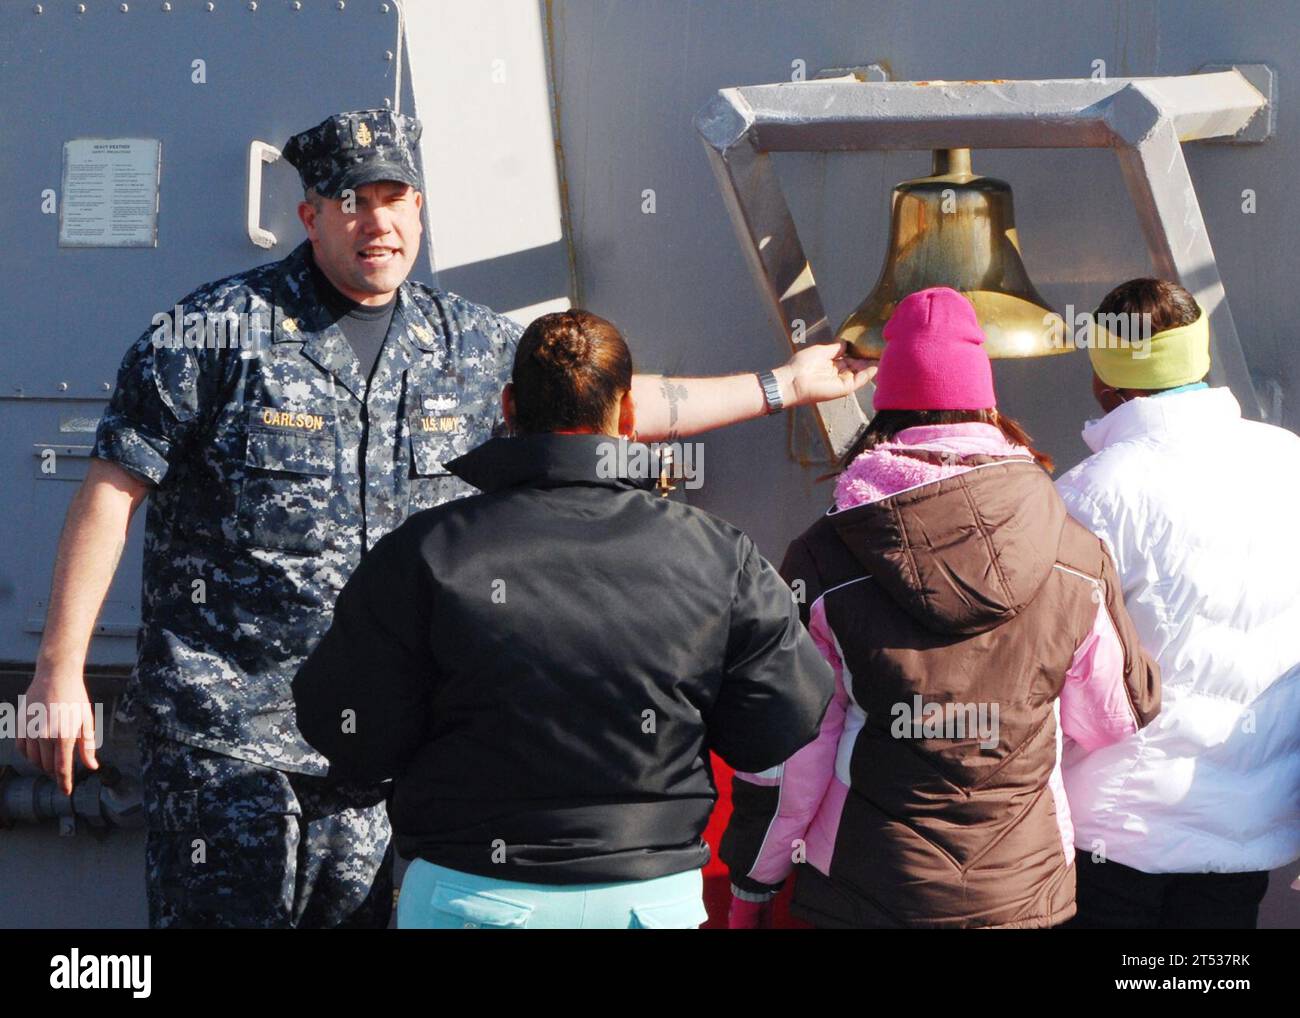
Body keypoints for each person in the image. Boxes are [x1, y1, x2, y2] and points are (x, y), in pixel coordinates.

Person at [14, 109, 872, 929]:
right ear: (311, 214)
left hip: (386, 750)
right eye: (354, 202)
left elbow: (614, 404)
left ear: (419, 209)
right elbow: (111, 494)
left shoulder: (467, 345)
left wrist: (785, 386)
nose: (377, 223)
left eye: (395, 199)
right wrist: (60, 674)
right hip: (232, 747)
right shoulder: (207, 336)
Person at [290, 309, 835, 929]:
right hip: (650, 901)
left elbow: (345, 726)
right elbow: (784, 719)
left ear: (510, 406)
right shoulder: (718, 555)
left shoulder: (427, 551)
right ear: (628, 415)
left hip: (473, 895)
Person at [721, 286, 1160, 928]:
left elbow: (794, 756)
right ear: (987, 405)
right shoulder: (1076, 555)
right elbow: (1111, 717)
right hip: (1021, 894)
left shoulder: (825, 558)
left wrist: (755, 880)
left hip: (867, 888)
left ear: (883, 407)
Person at [1055, 278, 1300, 929]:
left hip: (1116, 827)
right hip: (1248, 821)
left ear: (1104, 375)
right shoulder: (1289, 460)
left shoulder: (1090, 493)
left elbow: (1046, 664)